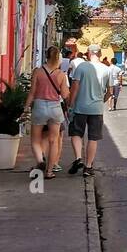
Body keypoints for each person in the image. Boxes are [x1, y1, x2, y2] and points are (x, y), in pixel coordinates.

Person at [67, 43, 107, 176]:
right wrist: (102, 100)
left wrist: (70, 104)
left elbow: (75, 86)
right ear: (100, 54)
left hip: (80, 107)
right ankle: (88, 167)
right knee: (93, 138)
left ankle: (78, 158)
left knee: (76, 133)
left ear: (89, 54)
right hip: (97, 109)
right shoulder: (106, 69)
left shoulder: (82, 66)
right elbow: (110, 91)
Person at [28, 45, 69, 177]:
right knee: (54, 140)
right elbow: (64, 95)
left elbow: (32, 93)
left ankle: (40, 160)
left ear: (46, 56)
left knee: (35, 139)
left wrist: (25, 108)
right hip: (55, 108)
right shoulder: (61, 75)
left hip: (39, 107)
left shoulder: (38, 72)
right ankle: (50, 171)